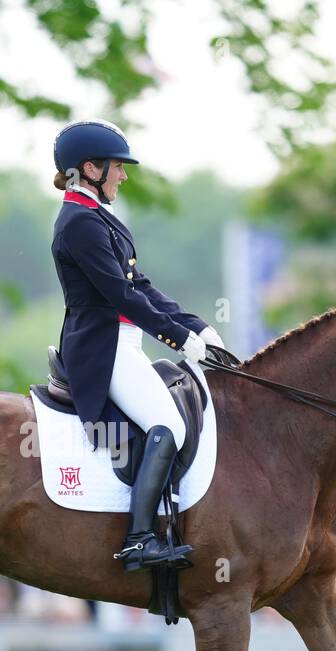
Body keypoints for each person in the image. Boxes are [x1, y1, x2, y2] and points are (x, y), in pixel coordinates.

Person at [49, 119, 225, 571]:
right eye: (117, 168)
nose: (123, 176)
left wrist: (197, 327)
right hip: (103, 351)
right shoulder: (79, 224)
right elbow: (121, 297)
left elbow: (140, 285)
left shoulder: (97, 219)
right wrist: (178, 339)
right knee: (169, 426)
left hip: (123, 344)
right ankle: (138, 539)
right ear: (90, 169)